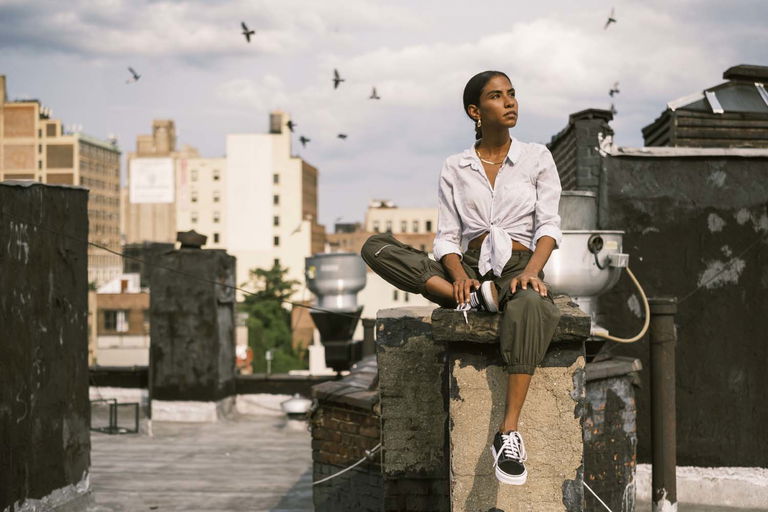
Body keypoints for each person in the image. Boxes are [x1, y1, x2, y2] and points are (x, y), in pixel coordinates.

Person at [361, 70, 562, 485]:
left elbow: (549, 228)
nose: (509, 102)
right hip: (468, 268)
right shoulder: (455, 166)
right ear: (475, 111)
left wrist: (530, 273)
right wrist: (457, 276)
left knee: (529, 305)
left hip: (516, 268)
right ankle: (467, 297)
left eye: (511, 94)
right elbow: (448, 236)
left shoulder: (537, 158)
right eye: (496, 96)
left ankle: (508, 433)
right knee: (374, 247)